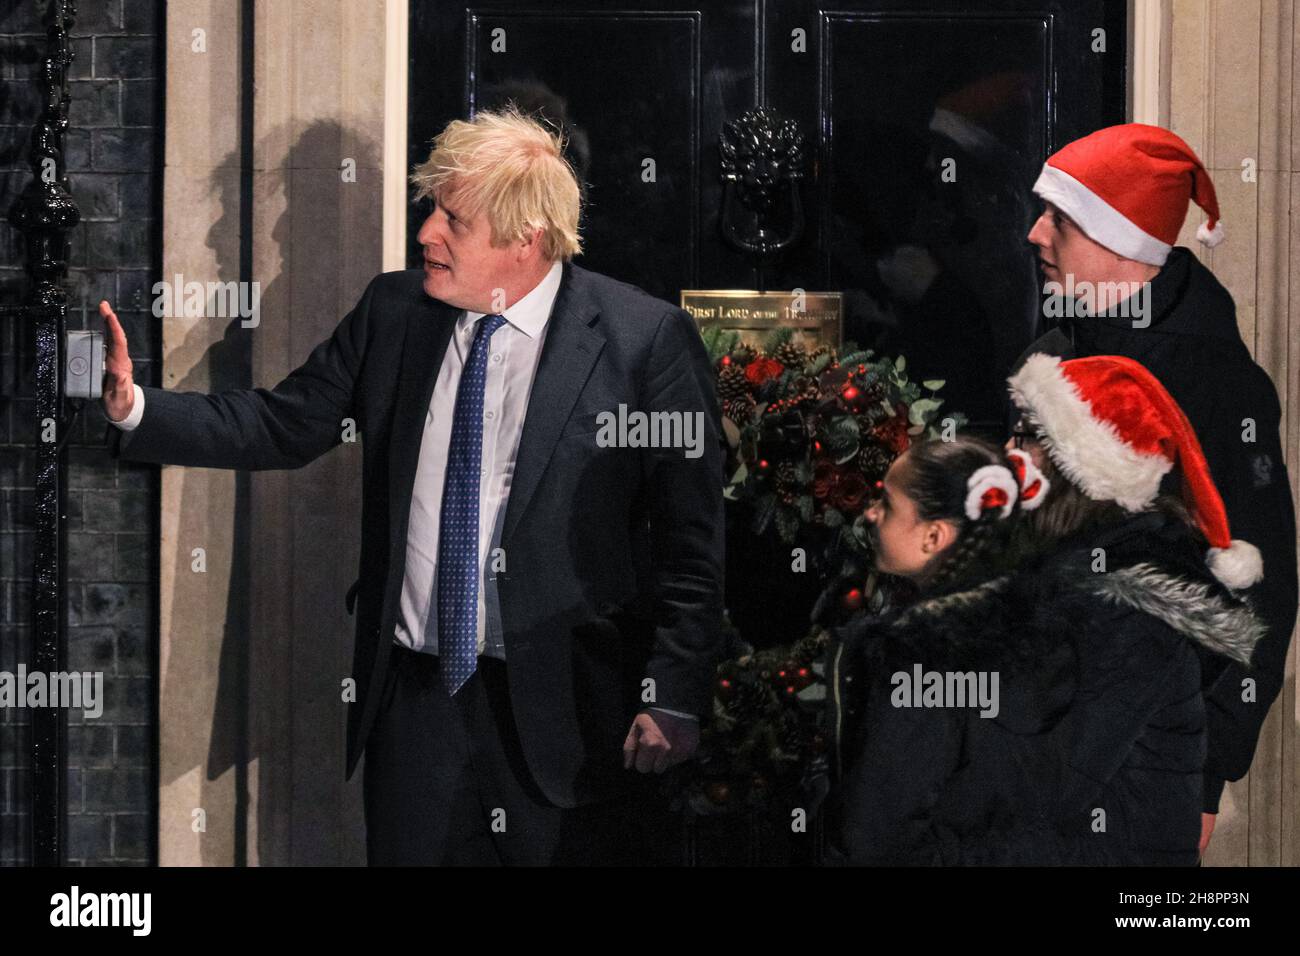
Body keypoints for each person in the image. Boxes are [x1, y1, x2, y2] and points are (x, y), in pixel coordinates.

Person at [98, 106, 725, 865]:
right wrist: (137, 408)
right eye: (432, 210)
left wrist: (674, 689)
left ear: (525, 238)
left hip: (566, 713)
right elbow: (282, 424)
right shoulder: (395, 313)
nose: (427, 233)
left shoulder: (642, 340)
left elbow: (691, 545)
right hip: (414, 705)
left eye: (453, 220)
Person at [826, 354, 1266, 865]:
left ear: (1079, 469)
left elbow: (1041, 785)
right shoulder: (1053, 575)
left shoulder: (1127, 612)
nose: (1010, 451)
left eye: (1029, 436)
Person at [1015, 123, 1298, 851]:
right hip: (1037, 739)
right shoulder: (1060, 344)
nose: (1035, 234)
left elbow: (1263, 584)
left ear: (1123, 242)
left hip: (1145, 759)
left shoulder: (1217, 380)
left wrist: (1207, 773)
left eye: (1062, 221)